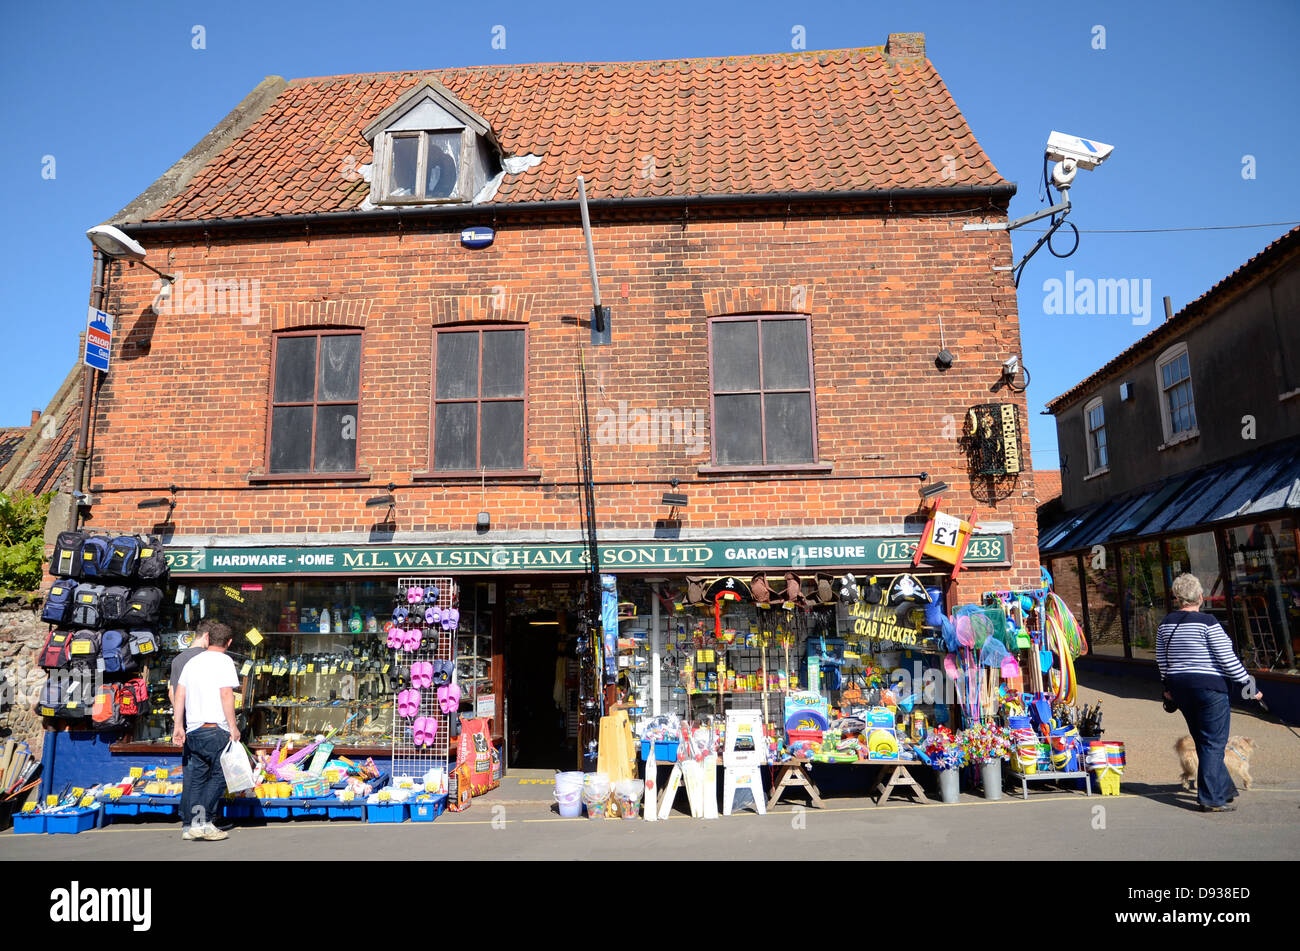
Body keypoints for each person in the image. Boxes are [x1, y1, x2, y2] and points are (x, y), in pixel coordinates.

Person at [1156, 573, 1263, 813]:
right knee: (1214, 743)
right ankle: (1211, 798)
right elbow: (1227, 659)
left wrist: (1167, 689)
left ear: (1177, 597)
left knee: (1204, 740)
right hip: (1209, 688)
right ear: (1201, 597)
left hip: (1180, 689)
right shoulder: (1208, 623)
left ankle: (1223, 790)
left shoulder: (1165, 624)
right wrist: (1249, 685)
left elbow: (1162, 660)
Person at [172, 621, 241, 841]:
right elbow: (226, 694)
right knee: (222, 776)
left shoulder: (192, 662)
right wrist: (233, 726)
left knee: (198, 778)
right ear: (229, 642)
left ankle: (193, 824)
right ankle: (205, 822)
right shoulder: (225, 660)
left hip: (194, 729)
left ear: (208, 638)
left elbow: (179, 694)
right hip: (216, 728)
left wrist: (178, 726)